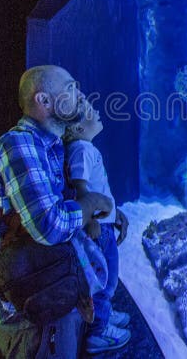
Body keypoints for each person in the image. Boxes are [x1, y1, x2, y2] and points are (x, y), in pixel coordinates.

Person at [0, 65, 112, 358]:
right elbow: (49, 226)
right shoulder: (19, 146)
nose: (79, 94)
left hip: (50, 288)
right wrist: (91, 204)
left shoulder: (49, 147)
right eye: (69, 88)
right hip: (25, 306)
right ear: (44, 101)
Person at [64, 100, 131, 354]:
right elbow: (79, 187)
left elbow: (95, 189)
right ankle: (98, 332)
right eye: (92, 113)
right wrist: (90, 219)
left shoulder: (84, 147)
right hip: (97, 229)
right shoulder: (82, 149)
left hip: (103, 223)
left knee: (104, 278)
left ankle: (103, 314)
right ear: (79, 128)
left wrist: (115, 213)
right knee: (104, 280)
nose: (99, 113)